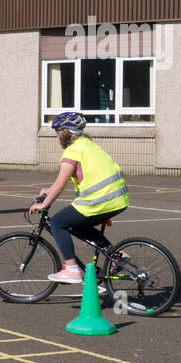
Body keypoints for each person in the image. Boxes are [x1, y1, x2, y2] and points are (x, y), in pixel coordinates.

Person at [35, 111, 131, 283]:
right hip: (117, 199)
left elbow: (59, 186)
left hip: (99, 201)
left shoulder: (73, 151)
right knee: (76, 225)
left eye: (57, 133)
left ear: (64, 133)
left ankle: (72, 269)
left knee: (57, 222)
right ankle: (117, 256)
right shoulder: (88, 144)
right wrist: (48, 190)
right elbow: (57, 185)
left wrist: (43, 204)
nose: (57, 138)